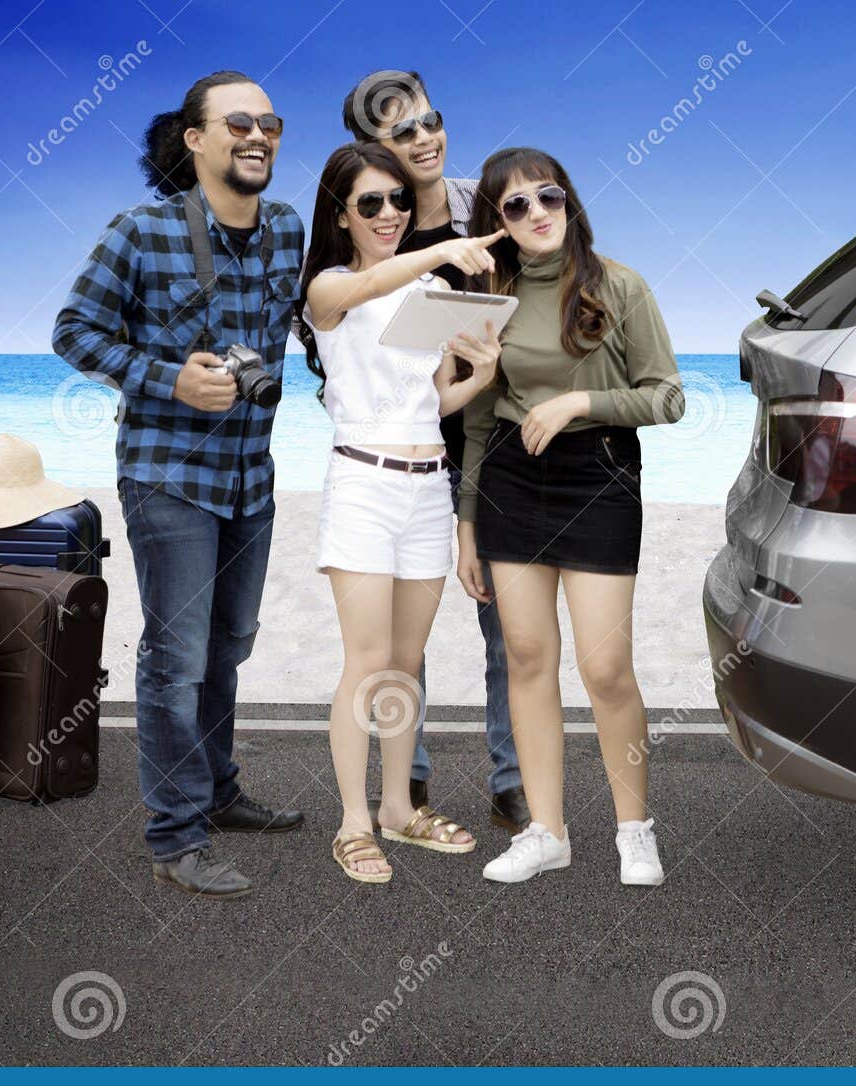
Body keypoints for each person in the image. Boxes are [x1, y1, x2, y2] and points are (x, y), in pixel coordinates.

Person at [52, 71, 304, 899]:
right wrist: (166, 377)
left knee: (229, 646)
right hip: (167, 476)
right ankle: (175, 835)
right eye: (238, 121)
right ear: (194, 139)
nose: (258, 133)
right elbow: (73, 331)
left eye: (269, 121)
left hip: (249, 477)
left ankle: (219, 789)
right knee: (175, 658)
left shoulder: (287, 231)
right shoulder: (140, 231)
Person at [458, 148, 685, 886]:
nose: (536, 214)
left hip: (600, 474)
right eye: (515, 207)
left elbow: (667, 396)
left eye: (547, 196)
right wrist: (466, 522)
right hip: (510, 482)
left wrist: (578, 402)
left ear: (569, 201)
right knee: (526, 657)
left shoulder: (620, 285)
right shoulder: (489, 296)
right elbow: (480, 418)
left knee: (605, 666)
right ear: (497, 224)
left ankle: (634, 828)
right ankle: (546, 831)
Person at [293, 142, 507, 883]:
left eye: (398, 201)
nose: (389, 214)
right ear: (342, 215)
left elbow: (432, 399)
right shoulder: (327, 288)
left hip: (426, 485)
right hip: (362, 485)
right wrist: (441, 249)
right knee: (366, 661)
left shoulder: (425, 296)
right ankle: (352, 821)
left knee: (406, 664)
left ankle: (395, 808)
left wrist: (477, 377)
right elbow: (368, 286)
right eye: (370, 203)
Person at [342, 69, 529, 833]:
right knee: (398, 641)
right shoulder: (366, 219)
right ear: (371, 149)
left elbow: (539, 284)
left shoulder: (484, 208)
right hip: (404, 451)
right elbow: (332, 329)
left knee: (507, 625)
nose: (424, 139)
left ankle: (512, 778)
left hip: (494, 437)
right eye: (402, 131)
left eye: (430, 122)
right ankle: (405, 781)